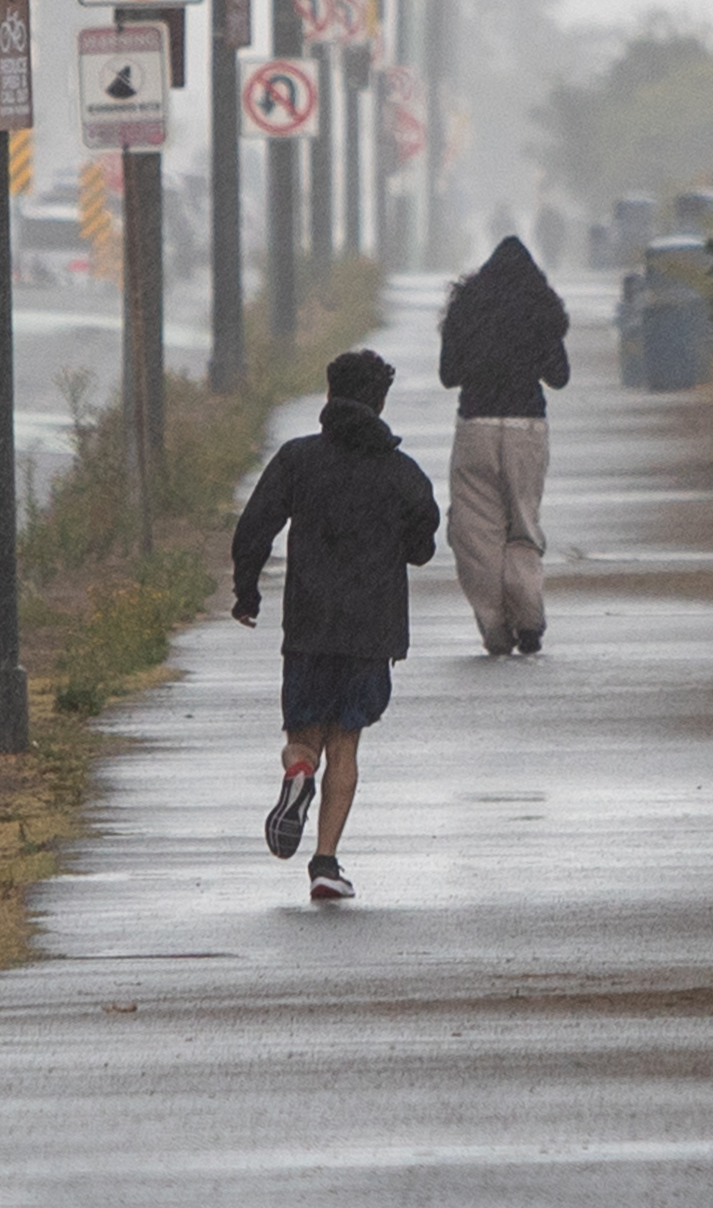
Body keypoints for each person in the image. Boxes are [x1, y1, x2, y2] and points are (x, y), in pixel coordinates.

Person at [231, 350, 439, 901]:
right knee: (346, 744)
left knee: (304, 737)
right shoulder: (402, 473)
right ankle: (325, 863)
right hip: (372, 631)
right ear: (381, 402)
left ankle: (298, 774)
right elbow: (423, 546)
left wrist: (246, 591)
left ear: (329, 395)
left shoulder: (299, 460)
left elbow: (256, 526)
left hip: (310, 624)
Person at [439, 236, 569, 656]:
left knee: (477, 533)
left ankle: (496, 629)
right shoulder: (539, 309)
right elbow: (559, 376)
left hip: (475, 424)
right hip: (526, 426)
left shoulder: (467, 307)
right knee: (522, 525)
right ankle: (528, 619)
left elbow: (448, 374)